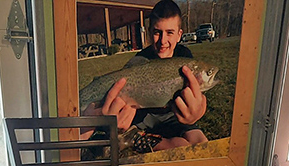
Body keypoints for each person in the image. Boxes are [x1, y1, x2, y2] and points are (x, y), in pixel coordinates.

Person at [86, 0, 208, 153]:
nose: (163, 41)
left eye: (169, 33)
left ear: (179, 35)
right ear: (150, 32)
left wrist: (198, 111)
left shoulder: (185, 57)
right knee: (181, 146)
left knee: (201, 143)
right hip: (143, 116)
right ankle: (133, 137)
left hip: (172, 115)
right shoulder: (140, 61)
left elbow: (197, 95)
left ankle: (138, 139)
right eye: (157, 32)